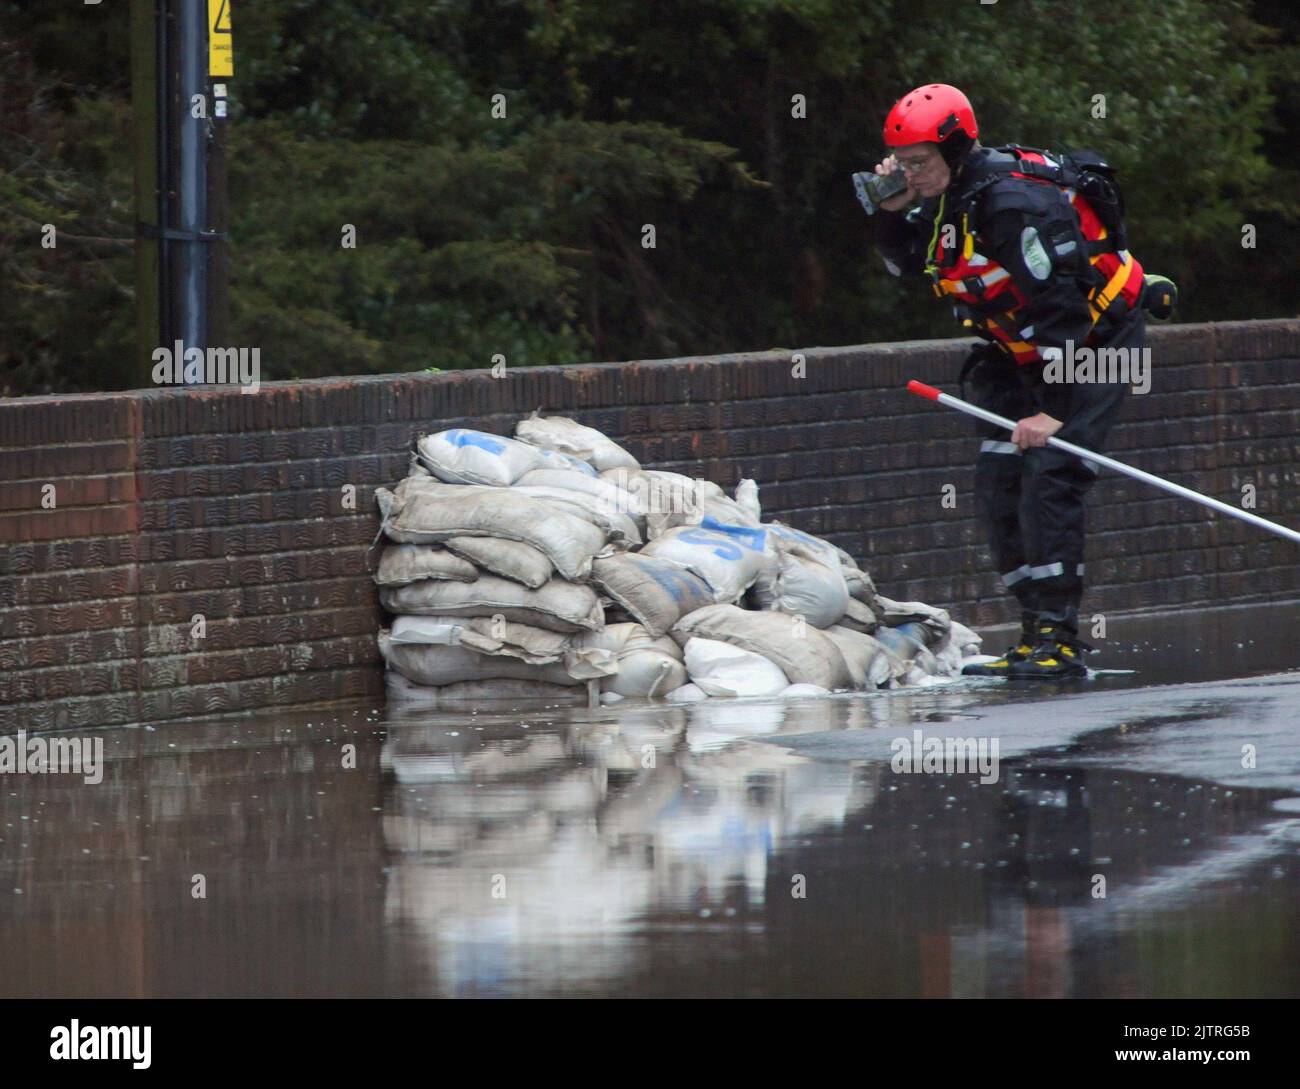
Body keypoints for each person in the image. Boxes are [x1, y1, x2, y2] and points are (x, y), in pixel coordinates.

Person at [868, 84, 1176, 678]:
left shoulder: (1011, 205)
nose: (912, 174)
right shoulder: (947, 195)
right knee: (998, 482)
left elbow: (1060, 304)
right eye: (902, 163)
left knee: (1051, 476)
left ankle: (1059, 642)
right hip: (1025, 353)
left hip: (1098, 344)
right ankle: (1033, 631)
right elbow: (909, 263)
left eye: (920, 163)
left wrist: (1054, 410)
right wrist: (890, 208)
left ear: (955, 149)